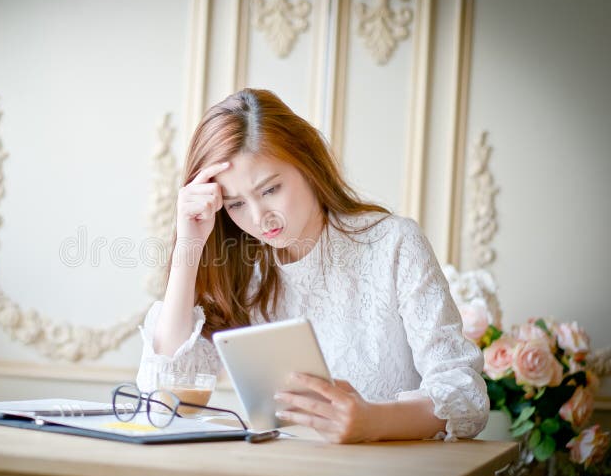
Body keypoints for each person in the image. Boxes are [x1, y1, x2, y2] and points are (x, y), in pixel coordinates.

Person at [136, 88, 489, 443]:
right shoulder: (244, 268)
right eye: (236, 204)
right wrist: (189, 245)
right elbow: (166, 400)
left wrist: (374, 421)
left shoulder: (393, 243)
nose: (260, 218)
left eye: (271, 189)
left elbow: (465, 395)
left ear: (307, 163)